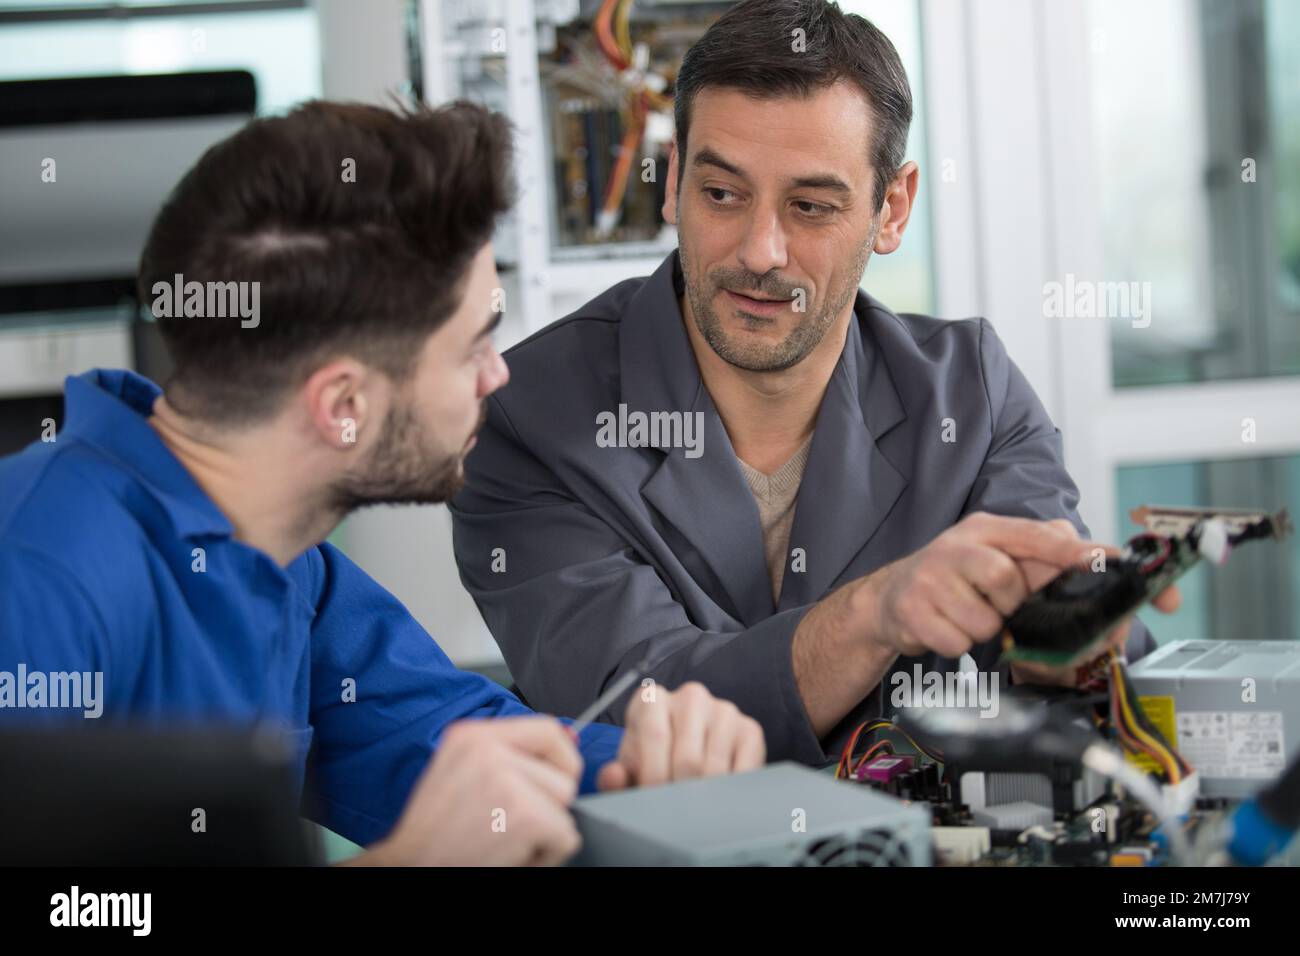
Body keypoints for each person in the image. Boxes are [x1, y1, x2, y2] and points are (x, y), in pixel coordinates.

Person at [0, 100, 764, 866]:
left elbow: (445, 744)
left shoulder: (281, 560)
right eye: (472, 348)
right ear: (343, 406)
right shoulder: (38, 577)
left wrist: (653, 769)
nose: (497, 376)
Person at [450, 0, 1177, 764]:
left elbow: (1058, 680)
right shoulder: (526, 414)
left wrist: (1073, 635)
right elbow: (641, 708)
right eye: (722, 194)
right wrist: (876, 613)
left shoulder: (973, 395)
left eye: (810, 206)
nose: (760, 251)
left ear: (891, 209)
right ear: (671, 188)